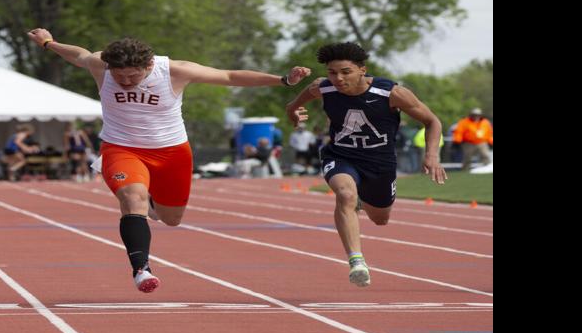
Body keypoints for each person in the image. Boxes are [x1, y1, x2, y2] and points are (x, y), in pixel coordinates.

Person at [31, 28, 310, 292]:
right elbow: (78, 54)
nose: (125, 82)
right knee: (132, 198)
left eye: (133, 76)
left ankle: (152, 203)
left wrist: (283, 80)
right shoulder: (100, 65)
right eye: (119, 77)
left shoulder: (174, 71)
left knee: (171, 219)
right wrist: (48, 43)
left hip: (171, 152)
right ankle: (142, 269)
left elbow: (229, 76)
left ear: (149, 65)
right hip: (121, 148)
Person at [284, 41, 446, 288]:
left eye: (345, 72)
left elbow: (432, 121)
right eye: (332, 72)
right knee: (345, 194)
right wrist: (293, 113)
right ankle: (356, 261)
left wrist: (431, 155)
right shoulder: (322, 88)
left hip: (380, 163)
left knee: (380, 219)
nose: (338, 78)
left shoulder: (391, 93)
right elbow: (292, 105)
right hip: (340, 156)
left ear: (362, 70)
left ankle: (359, 200)